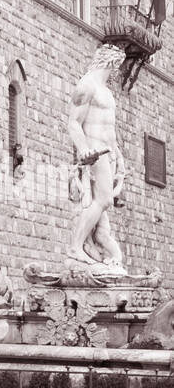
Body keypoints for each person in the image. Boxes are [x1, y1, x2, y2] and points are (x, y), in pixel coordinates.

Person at [66, 44, 126, 272]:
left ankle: (93, 249)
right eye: (117, 66)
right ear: (112, 62)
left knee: (100, 207)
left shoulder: (105, 90)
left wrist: (119, 157)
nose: (117, 72)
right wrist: (83, 148)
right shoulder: (86, 85)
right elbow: (73, 122)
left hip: (108, 154)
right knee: (104, 200)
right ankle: (75, 247)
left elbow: (110, 127)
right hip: (95, 152)